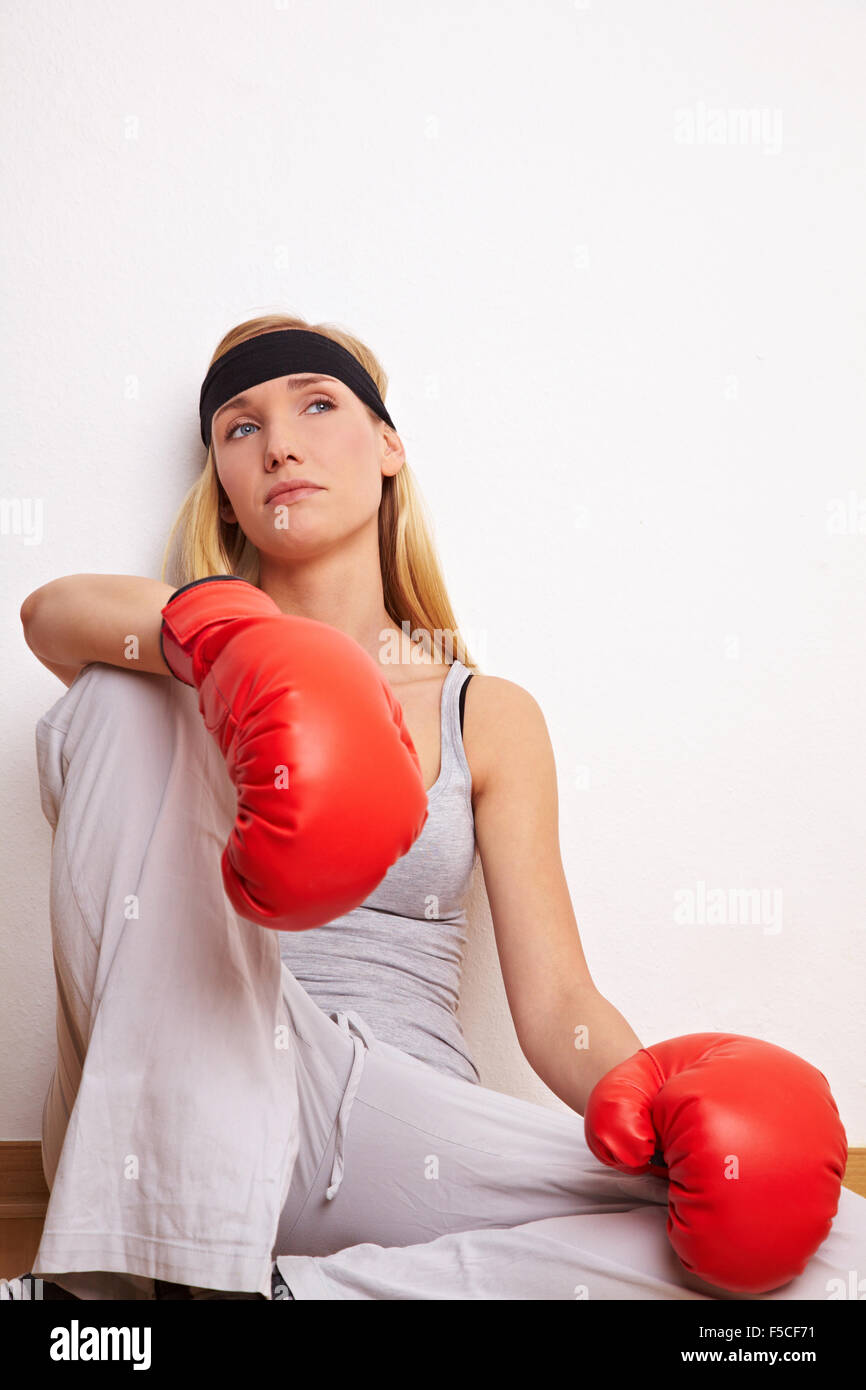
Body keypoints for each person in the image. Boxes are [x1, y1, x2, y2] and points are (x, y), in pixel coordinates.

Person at [6, 312, 866, 1301]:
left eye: (316, 404)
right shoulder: (186, 659)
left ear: (387, 448)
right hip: (189, 1080)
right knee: (121, 690)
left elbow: (555, 1007)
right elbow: (49, 617)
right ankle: (112, 1283)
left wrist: (661, 1108)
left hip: (393, 1124)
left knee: (829, 1242)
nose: (278, 440)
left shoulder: (485, 712)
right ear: (229, 495)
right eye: (239, 428)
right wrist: (225, 646)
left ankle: (289, 1297)